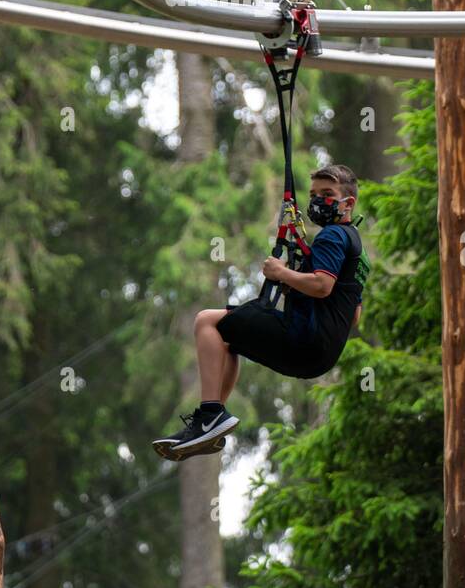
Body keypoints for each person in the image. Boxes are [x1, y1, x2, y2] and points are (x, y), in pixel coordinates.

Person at [152, 163, 368, 461]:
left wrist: (281, 273)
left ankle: (211, 415)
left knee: (207, 321)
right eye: (314, 194)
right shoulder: (358, 252)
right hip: (321, 357)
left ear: (349, 202)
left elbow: (321, 286)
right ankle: (211, 420)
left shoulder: (333, 236)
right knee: (228, 337)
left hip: (304, 341)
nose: (318, 200)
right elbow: (352, 315)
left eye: (327, 194)